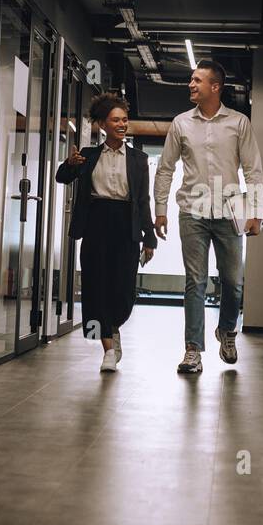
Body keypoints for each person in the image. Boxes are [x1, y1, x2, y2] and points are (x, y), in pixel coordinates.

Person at [154, 59, 263, 374]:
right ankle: (192, 350)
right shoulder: (180, 123)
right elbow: (165, 168)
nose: (191, 85)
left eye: (197, 80)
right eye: (191, 80)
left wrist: (255, 212)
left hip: (231, 211)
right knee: (195, 282)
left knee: (233, 282)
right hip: (192, 211)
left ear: (215, 87)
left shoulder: (239, 122)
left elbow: (253, 170)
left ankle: (227, 331)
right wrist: (160, 210)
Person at [55, 93, 157, 372]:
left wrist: (149, 238)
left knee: (123, 289)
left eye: (125, 119)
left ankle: (114, 325)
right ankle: (108, 349)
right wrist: (70, 165)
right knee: (96, 285)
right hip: (96, 223)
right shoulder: (87, 156)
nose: (122, 124)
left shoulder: (138, 159)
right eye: (116, 120)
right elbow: (61, 177)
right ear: (102, 124)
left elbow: (143, 200)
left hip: (126, 224)